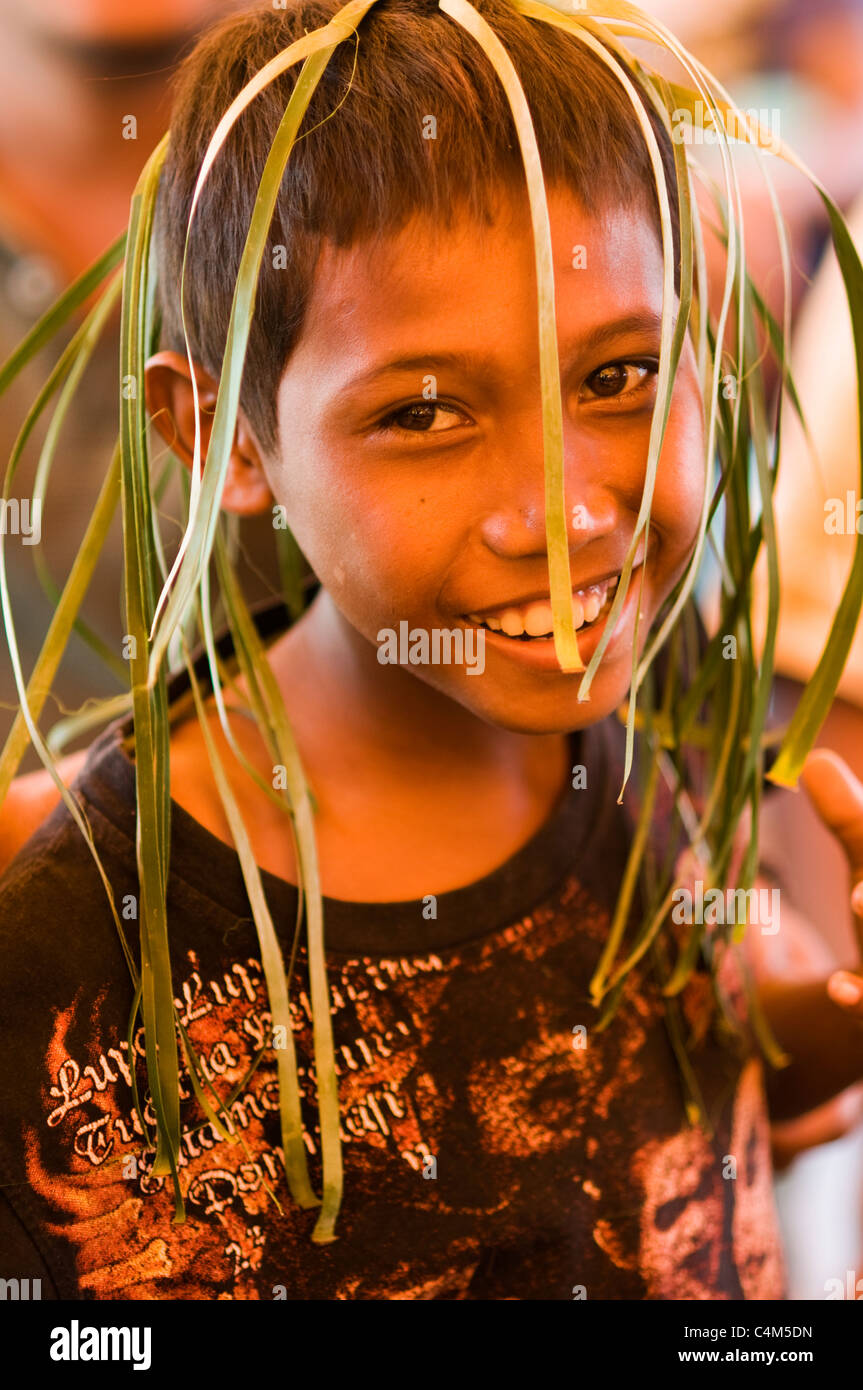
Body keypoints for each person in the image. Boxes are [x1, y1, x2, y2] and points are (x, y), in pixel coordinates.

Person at [1, 0, 862, 1301]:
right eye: (424, 411)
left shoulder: (642, 769)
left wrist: (831, 1017)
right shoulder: (60, 924)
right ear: (225, 436)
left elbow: (703, 1080)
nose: (568, 520)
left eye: (620, 377)